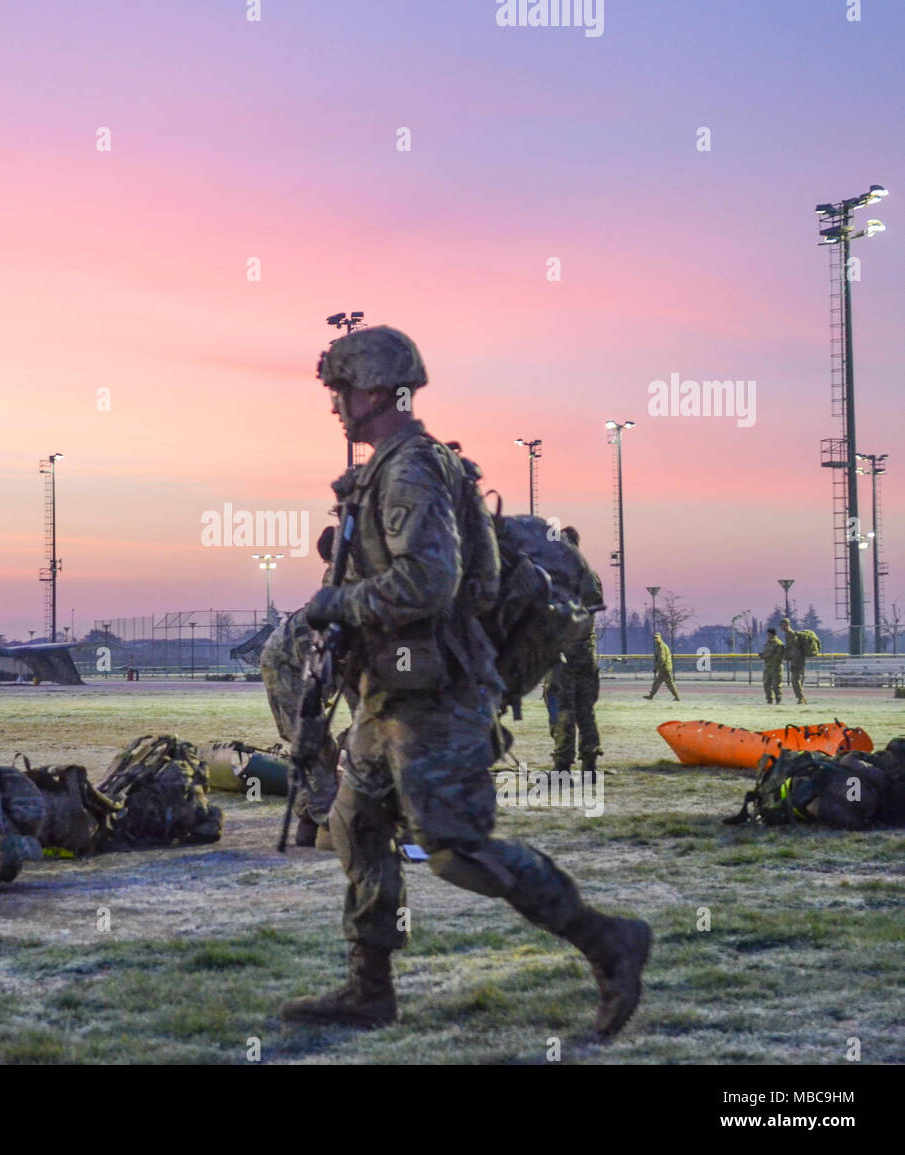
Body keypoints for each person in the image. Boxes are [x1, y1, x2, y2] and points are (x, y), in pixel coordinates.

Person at [278, 324, 650, 1038]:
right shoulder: (381, 471)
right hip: (390, 691)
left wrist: (340, 603)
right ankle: (370, 988)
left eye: (342, 390)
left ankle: (610, 941)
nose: (335, 405)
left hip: (439, 694)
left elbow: (431, 579)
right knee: (357, 823)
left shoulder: (412, 468)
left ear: (378, 389)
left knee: (455, 845)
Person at [259, 605, 342, 849]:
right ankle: (326, 818)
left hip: (314, 664)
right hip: (286, 666)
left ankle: (308, 822)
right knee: (312, 744)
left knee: (327, 748)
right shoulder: (336, 617)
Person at [550, 526, 603, 782]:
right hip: (585, 653)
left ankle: (562, 767)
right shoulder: (590, 576)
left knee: (563, 711)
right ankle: (590, 765)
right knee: (586, 711)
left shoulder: (556, 579)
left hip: (563, 655)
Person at [780, 618, 813, 705]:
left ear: (787, 625)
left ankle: (801, 698)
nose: (781, 627)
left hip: (797, 660)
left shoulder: (791, 634)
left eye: (782, 625)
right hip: (795, 660)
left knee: (795, 680)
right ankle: (801, 698)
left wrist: (793, 659)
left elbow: (795, 649)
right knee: (797, 680)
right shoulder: (787, 635)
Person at [644, 632, 680, 701]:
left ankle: (677, 697)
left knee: (669, 684)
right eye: (654, 638)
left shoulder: (661, 646)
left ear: (660, 638)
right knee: (657, 683)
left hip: (665, 668)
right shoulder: (660, 646)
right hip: (663, 668)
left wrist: (656, 668)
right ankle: (651, 696)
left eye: (657, 638)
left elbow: (662, 659)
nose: (655, 639)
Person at [761, 627, 784, 705]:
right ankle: (769, 700)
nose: (767, 635)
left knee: (776, 685)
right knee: (766, 684)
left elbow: (779, 656)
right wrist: (763, 655)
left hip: (776, 667)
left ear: (772, 634)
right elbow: (765, 653)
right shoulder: (767, 643)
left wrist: (767, 656)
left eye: (768, 634)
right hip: (768, 667)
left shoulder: (779, 643)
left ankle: (778, 699)